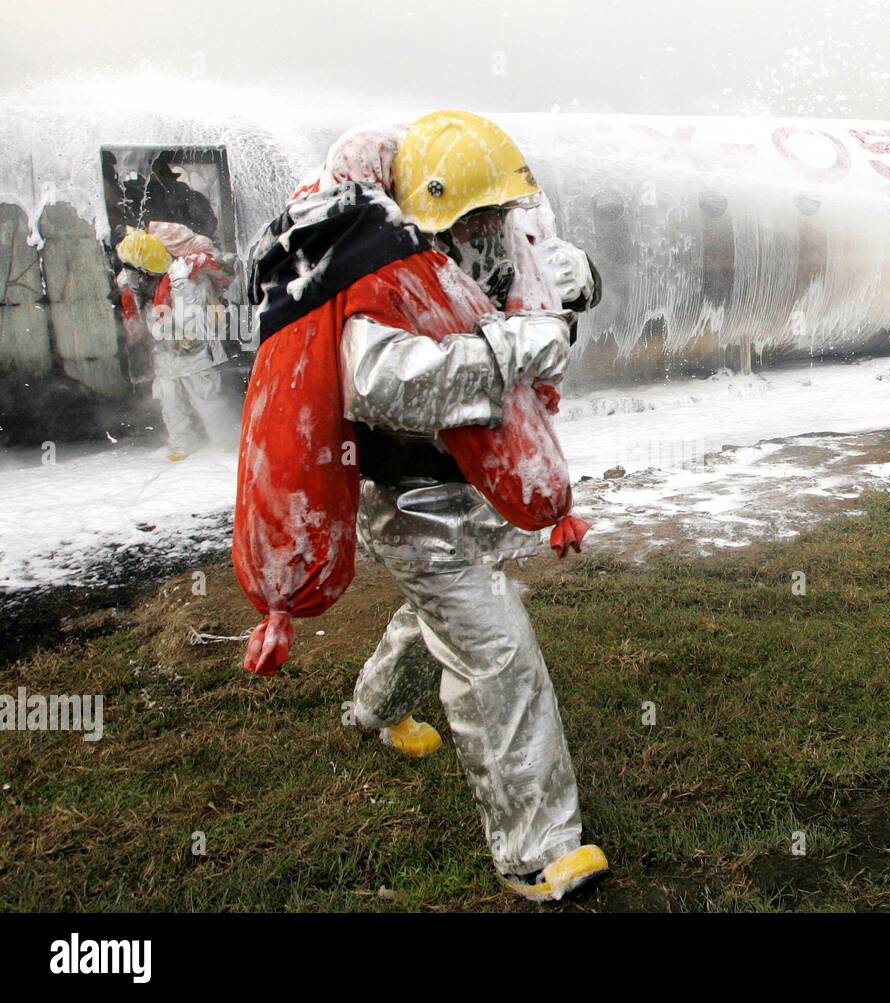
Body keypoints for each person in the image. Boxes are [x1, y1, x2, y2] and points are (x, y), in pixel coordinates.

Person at [241, 114, 606, 901]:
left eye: (499, 215)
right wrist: (516, 347)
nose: (491, 229)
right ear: (431, 209)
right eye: (476, 215)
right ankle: (537, 850)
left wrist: (573, 284)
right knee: (497, 654)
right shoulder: (368, 272)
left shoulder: (488, 246)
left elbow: (542, 289)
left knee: (432, 619)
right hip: (407, 498)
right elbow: (382, 382)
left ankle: (373, 709)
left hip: (472, 483)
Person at [115, 225, 233, 460]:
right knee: (171, 406)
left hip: (196, 355)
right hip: (166, 358)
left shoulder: (186, 277)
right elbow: (146, 324)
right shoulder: (146, 283)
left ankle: (226, 444)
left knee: (208, 401)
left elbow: (192, 320)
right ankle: (182, 445)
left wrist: (180, 287)